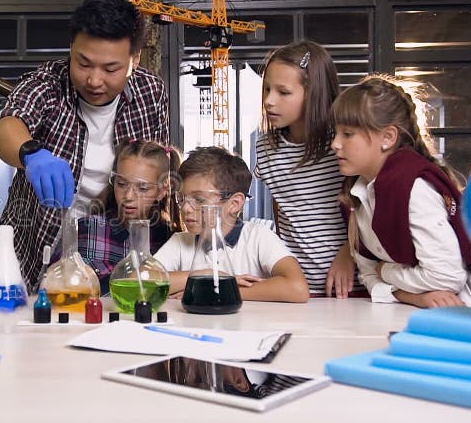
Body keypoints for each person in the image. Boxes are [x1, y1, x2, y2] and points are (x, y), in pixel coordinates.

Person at [0, 0, 169, 289]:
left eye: (111, 69)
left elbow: (156, 163)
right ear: (71, 48)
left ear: (134, 59)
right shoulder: (48, 83)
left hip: (115, 250)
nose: (95, 80)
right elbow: (3, 127)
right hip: (42, 248)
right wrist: (31, 153)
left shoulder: (151, 93)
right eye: (83, 64)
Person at [331, 74, 471, 308]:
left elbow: (447, 277)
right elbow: (368, 276)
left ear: (388, 137)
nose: (335, 144)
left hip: (469, 312)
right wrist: (412, 296)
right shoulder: (356, 194)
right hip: (415, 311)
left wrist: (386, 270)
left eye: (347, 134)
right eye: (335, 133)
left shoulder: (413, 188)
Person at [253, 40, 362, 298]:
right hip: (299, 289)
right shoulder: (265, 147)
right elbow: (282, 212)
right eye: (267, 89)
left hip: (353, 287)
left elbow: (368, 207)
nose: (269, 101)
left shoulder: (342, 145)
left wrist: (349, 251)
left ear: (313, 92)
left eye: (283, 92)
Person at [155, 146, 309, 303]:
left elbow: (297, 288)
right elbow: (139, 282)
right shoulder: (180, 241)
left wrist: (222, 291)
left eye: (199, 200)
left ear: (234, 204)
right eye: (182, 199)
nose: (186, 208)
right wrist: (209, 275)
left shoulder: (258, 237)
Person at [74, 139, 180, 294]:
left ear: (162, 191)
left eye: (142, 188)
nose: (129, 196)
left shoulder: (170, 239)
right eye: (122, 184)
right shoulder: (90, 230)